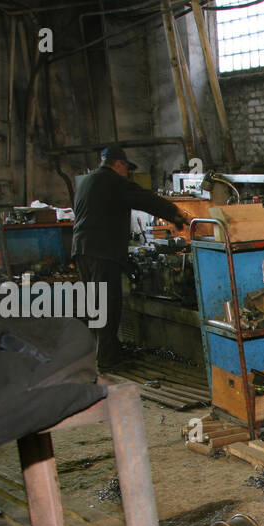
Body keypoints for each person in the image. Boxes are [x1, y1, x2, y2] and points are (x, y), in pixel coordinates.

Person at [71, 145, 188, 368]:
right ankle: (107, 359)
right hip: (102, 252)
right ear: (118, 164)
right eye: (126, 168)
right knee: (107, 304)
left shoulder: (86, 181)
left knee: (95, 304)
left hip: (82, 250)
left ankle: (106, 351)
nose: (127, 173)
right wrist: (175, 214)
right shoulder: (112, 181)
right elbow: (143, 198)